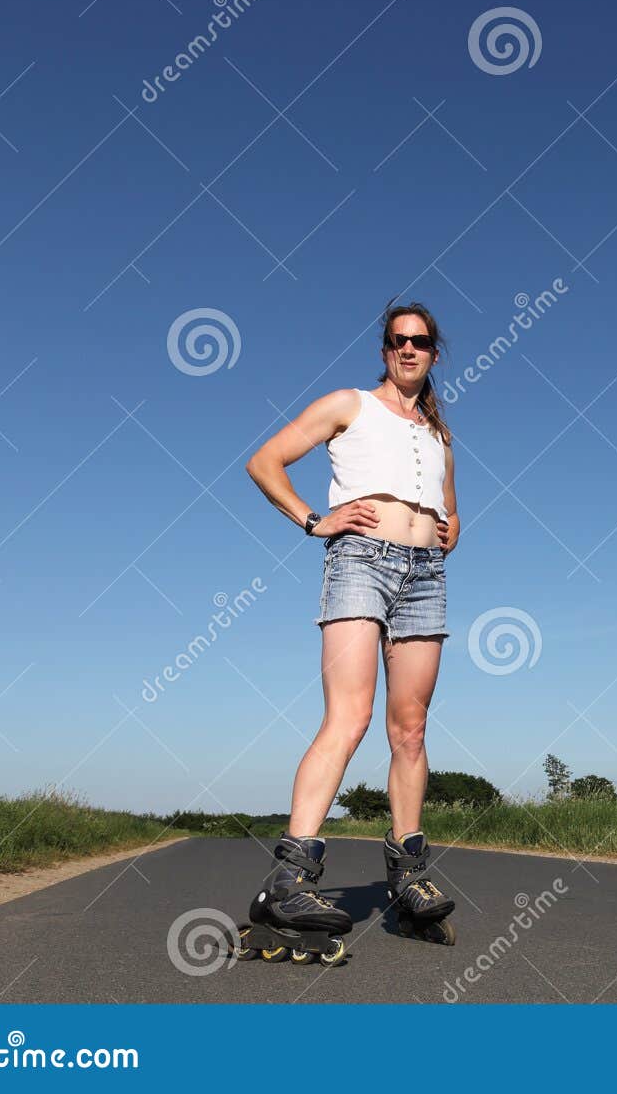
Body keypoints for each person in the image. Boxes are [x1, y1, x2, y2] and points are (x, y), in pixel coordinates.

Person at [241, 300, 460, 954]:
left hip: (425, 576)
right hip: (360, 562)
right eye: (398, 340)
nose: (409, 349)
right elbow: (265, 461)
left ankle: (409, 875)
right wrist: (315, 519)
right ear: (385, 350)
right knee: (351, 715)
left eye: (420, 340)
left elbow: (450, 510)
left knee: (411, 728)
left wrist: (448, 528)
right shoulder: (349, 404)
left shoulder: (439, 435)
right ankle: (289, 879)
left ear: (435, 352)